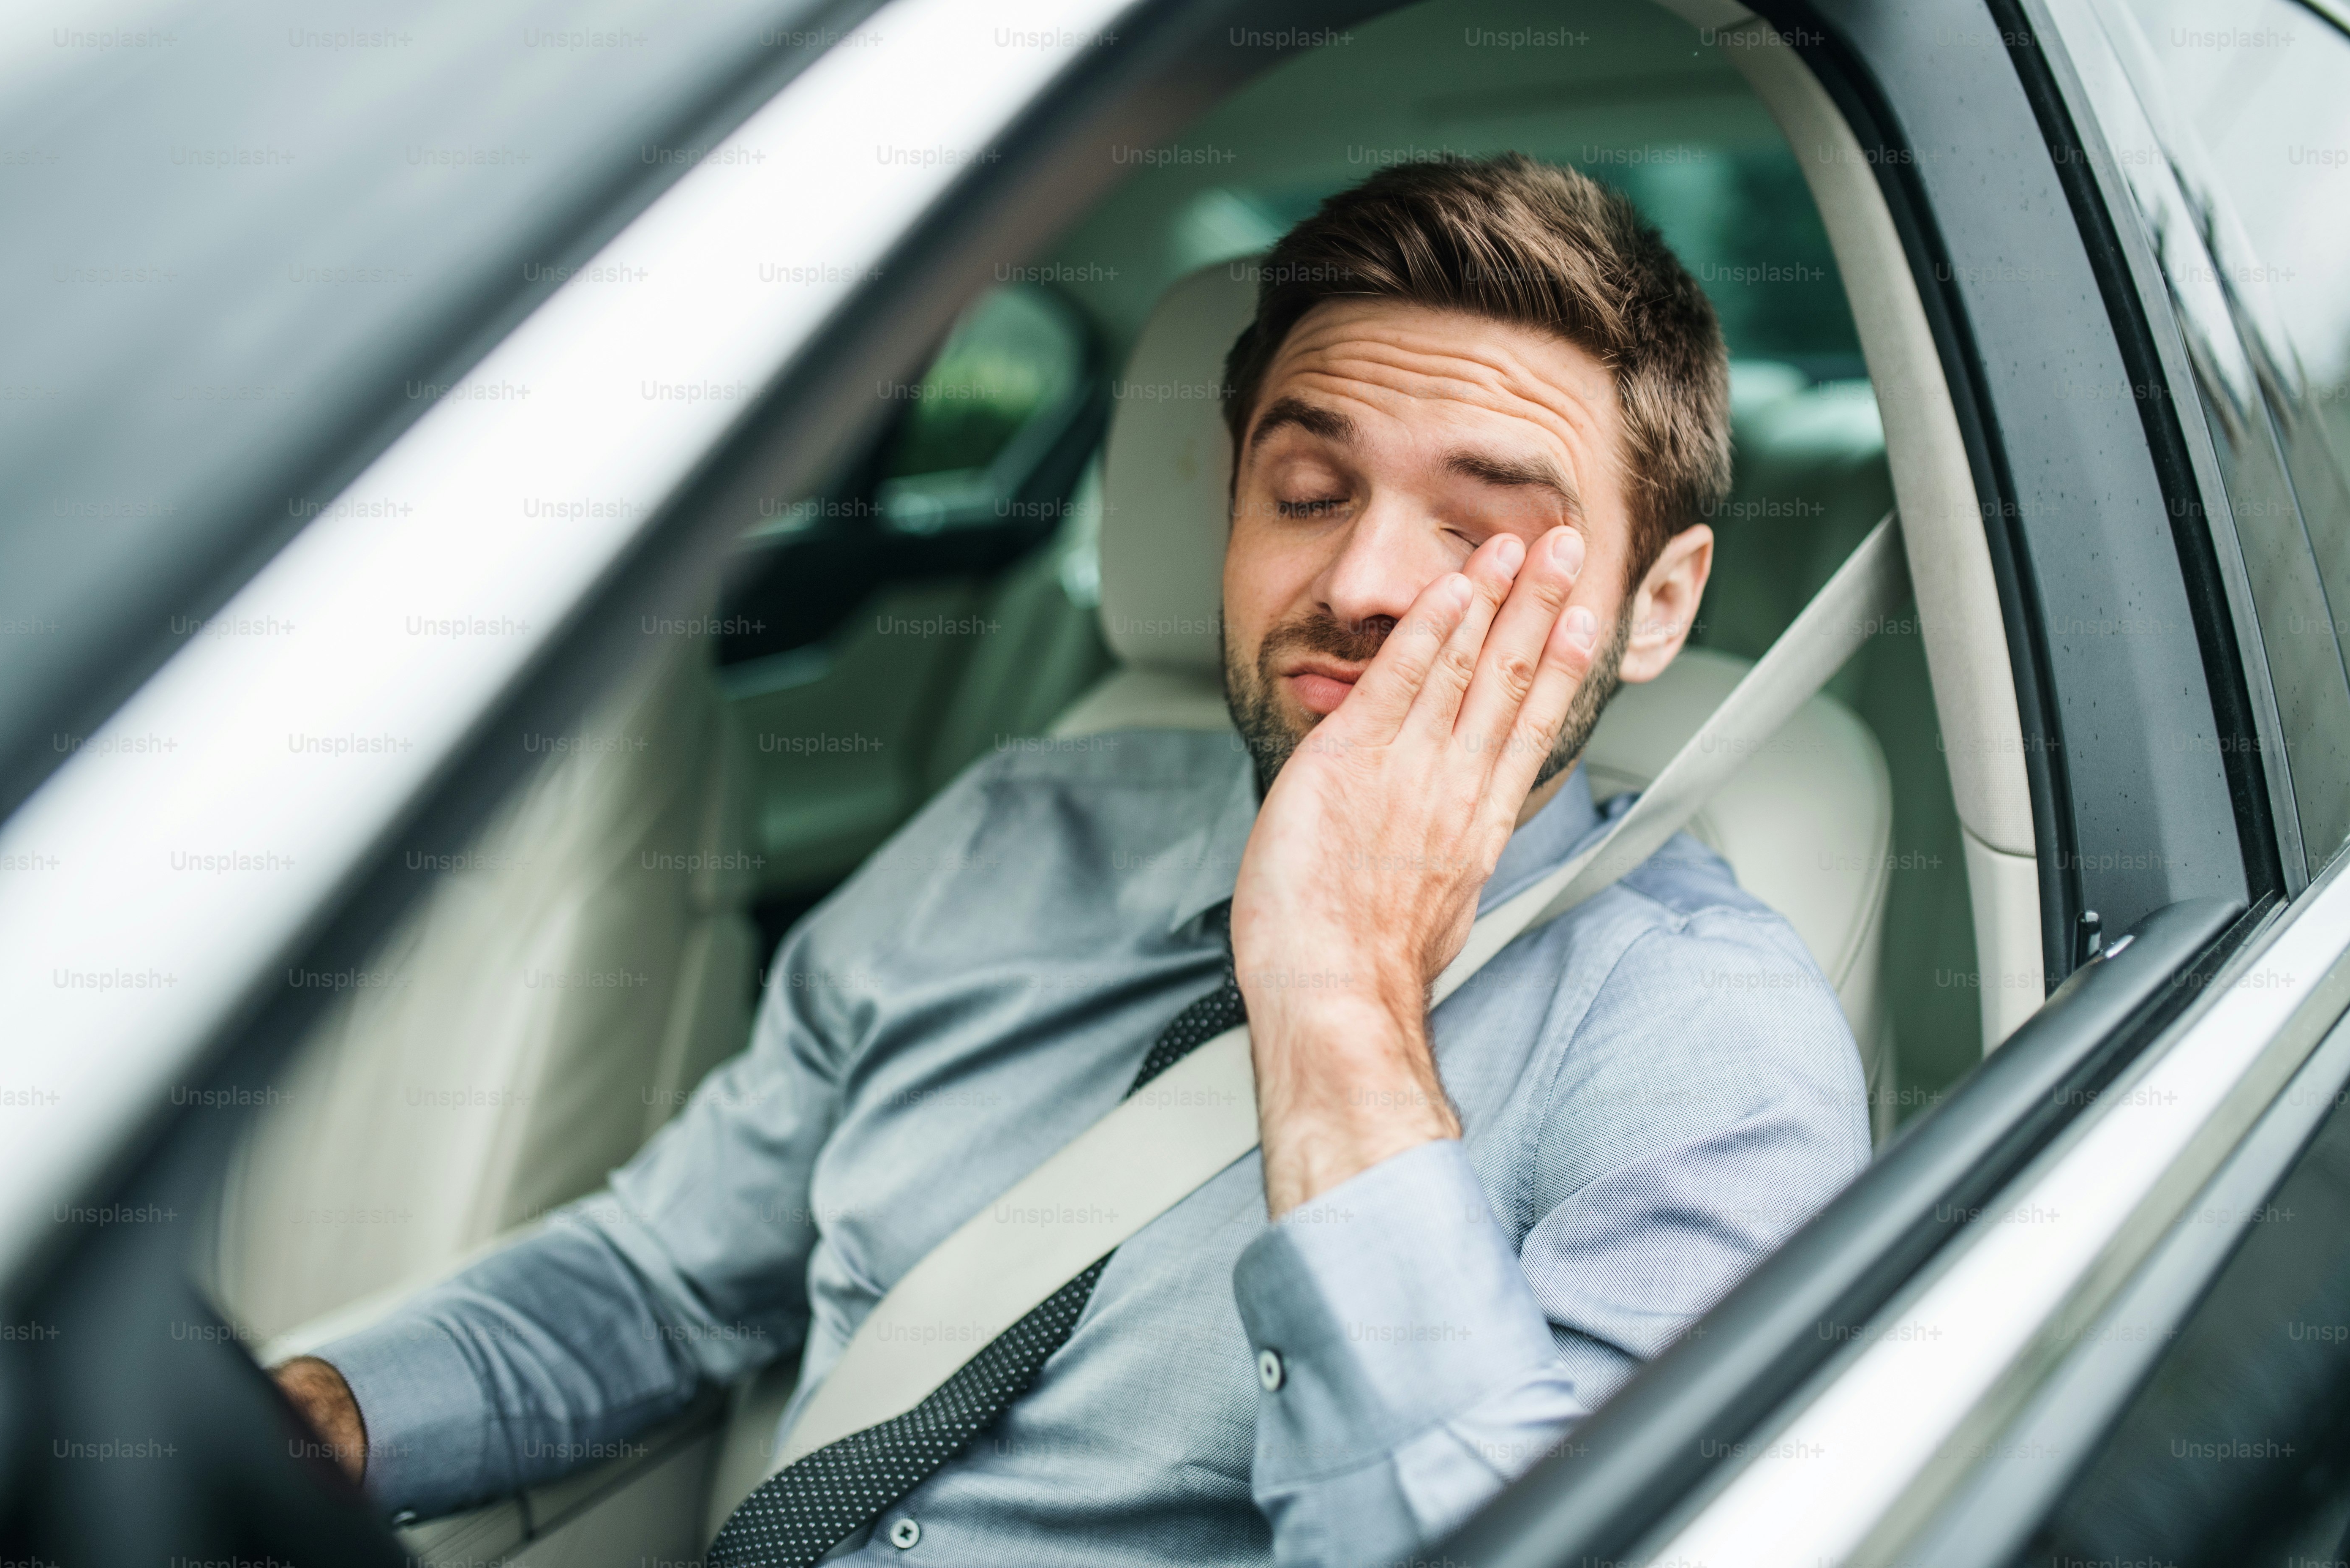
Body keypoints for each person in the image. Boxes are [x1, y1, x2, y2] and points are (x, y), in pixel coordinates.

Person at [274, 152, 1868, 1568]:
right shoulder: (1016, 828)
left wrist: (1340, 1007)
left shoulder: (1707, 1047)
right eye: (1309, 491)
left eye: (1478, 527)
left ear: (1660, 605)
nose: (1366, 579)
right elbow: (662, 1275)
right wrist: (327, 1412)